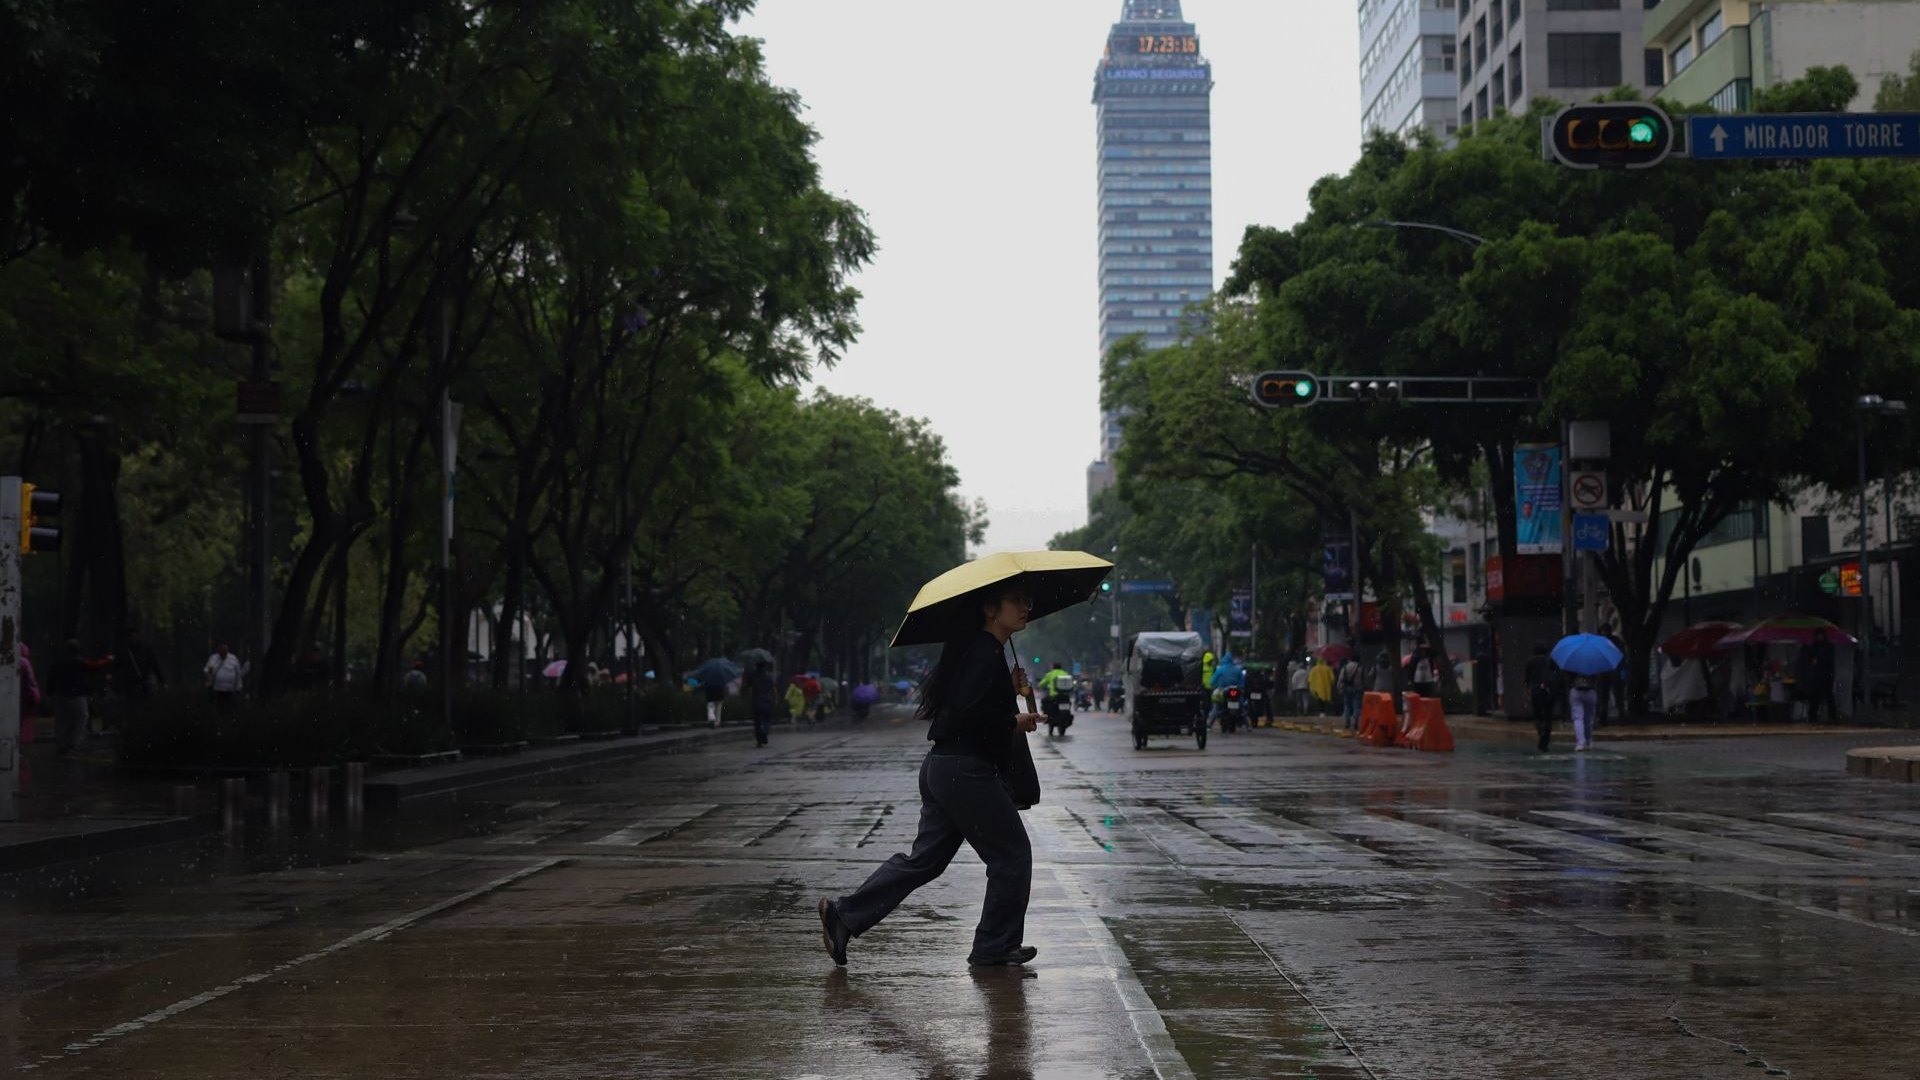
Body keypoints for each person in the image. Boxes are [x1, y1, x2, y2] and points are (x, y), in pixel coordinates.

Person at [818, 583, 1043, 969]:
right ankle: (993, 946)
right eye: (1017, 601)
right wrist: (1013, 719)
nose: (1026, 606)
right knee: (1012, 856)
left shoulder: (982, 651)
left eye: (1026, 600)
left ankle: (845, 916)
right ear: (992, 609)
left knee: (925, 861)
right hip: (964, 772)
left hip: (946, 769)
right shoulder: (983, 652)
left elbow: (967, 706)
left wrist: (1012, 693)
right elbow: (969, 717)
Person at [46, 640, 98, 753]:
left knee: (61, 720)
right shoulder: (80, 663)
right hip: (77, 695)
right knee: (82, 717)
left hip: (60, 694)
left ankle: (61, 744)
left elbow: (50, 680)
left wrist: (50, 694)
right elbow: (92, 669)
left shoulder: (57, 663)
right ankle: (74, 744)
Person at [115, 627, 165, 703]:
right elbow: (117, 665)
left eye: (135, 635)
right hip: (129, 684)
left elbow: (154, 665)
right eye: (132, 636)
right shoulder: (125, 651)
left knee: (143, 704)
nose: (134, 637)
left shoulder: (146, 650)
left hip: (143, 683)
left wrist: (162, 680)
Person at [1524, 645, 1557, 752]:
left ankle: (1540, 730)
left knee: (1537, 714)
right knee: (1548, 715)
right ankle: (1545, 740)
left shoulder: (1530, 661)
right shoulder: (1550, 661)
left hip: (1535, 690)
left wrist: (1527, 690)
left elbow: (1527, 678)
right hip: (1548, 690)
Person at [1802, 634, 1838, 724]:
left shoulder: (1826, 647)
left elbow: (1829, 661)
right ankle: (1814, 716)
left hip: (1824, 674)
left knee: (1827, 695)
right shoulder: (1816, 647)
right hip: (1819, 675)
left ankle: (1830, 714)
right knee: (1817, 696)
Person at [204, 643, 245, 713]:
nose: (223, 652)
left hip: (230, 689)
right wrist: (209, 671)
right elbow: (206, 670)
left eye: (225, 650)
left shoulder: (233, 658)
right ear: (219, 650)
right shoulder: (213, 658)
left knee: (229, 708)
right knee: (218, 708)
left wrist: (238, 686)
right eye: (221, 650)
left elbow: (238, 673)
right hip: (217, 689)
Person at [1207, 654, 1245, 729]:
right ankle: (1247, 725)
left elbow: (1213, 681)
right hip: (1236, 691)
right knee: (1241, 706)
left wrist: (1213, 685)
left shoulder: (1220, 669)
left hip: (1223, 691)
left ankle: (1209, 724)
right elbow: (1242, 682)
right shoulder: (1237, 669)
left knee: (1216, 707)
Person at [1568, 669, 1599, 752]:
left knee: (1578, 718)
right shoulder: (1595, 665)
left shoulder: (1573, 665)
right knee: (1589, 719)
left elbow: (1568, 677)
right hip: (1590, 691)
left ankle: (1580, 743)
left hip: (1576, 691)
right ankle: (1589, 740)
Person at [748, 661, 778, 746]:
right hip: (767, 701)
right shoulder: (768, 677)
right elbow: (774, 689)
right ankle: (764, 731)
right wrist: (775, 699)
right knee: (767, 720)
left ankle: (759, 739)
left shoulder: (753, 676)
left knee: (757, 722)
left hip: (756, 701)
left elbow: (749, 689)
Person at [18, 642, 41, 747]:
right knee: (27, 719)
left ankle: (23, 742)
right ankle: (25, 741)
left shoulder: (20, 661)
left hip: (26, 695)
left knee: (23, 718)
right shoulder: (26, 661)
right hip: (31, 694)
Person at [1338, 654, 1364, 729]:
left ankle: (1347, 721)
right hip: (1357, 689)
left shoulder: (1345, 667)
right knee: (1357, 706)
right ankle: (1355, 722)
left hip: (1347, 689)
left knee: (1347, 705)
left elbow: (1341, 679)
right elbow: (1364, 679)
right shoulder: (1360, 668)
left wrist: (1339, 687)